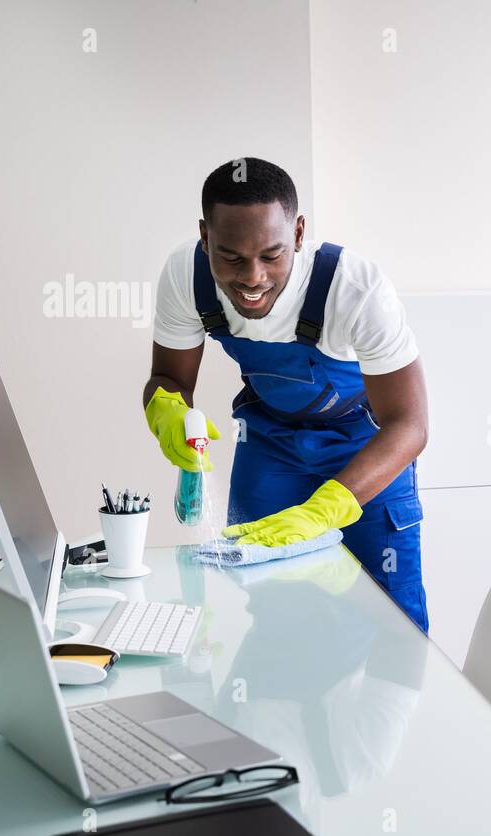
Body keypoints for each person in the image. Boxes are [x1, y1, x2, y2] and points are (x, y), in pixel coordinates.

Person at [143, 158, 429, 632]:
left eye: (271, 255)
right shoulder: (186, 277)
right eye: (230, 256)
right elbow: (168, 378)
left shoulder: (355, 289)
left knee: (390, 612)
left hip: (368, 442)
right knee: (271, 598)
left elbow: (410, 424)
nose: (253, 277)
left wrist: (325, 509)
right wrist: (169, 412)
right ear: (204, 236)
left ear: (298, 233)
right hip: (269, 438)